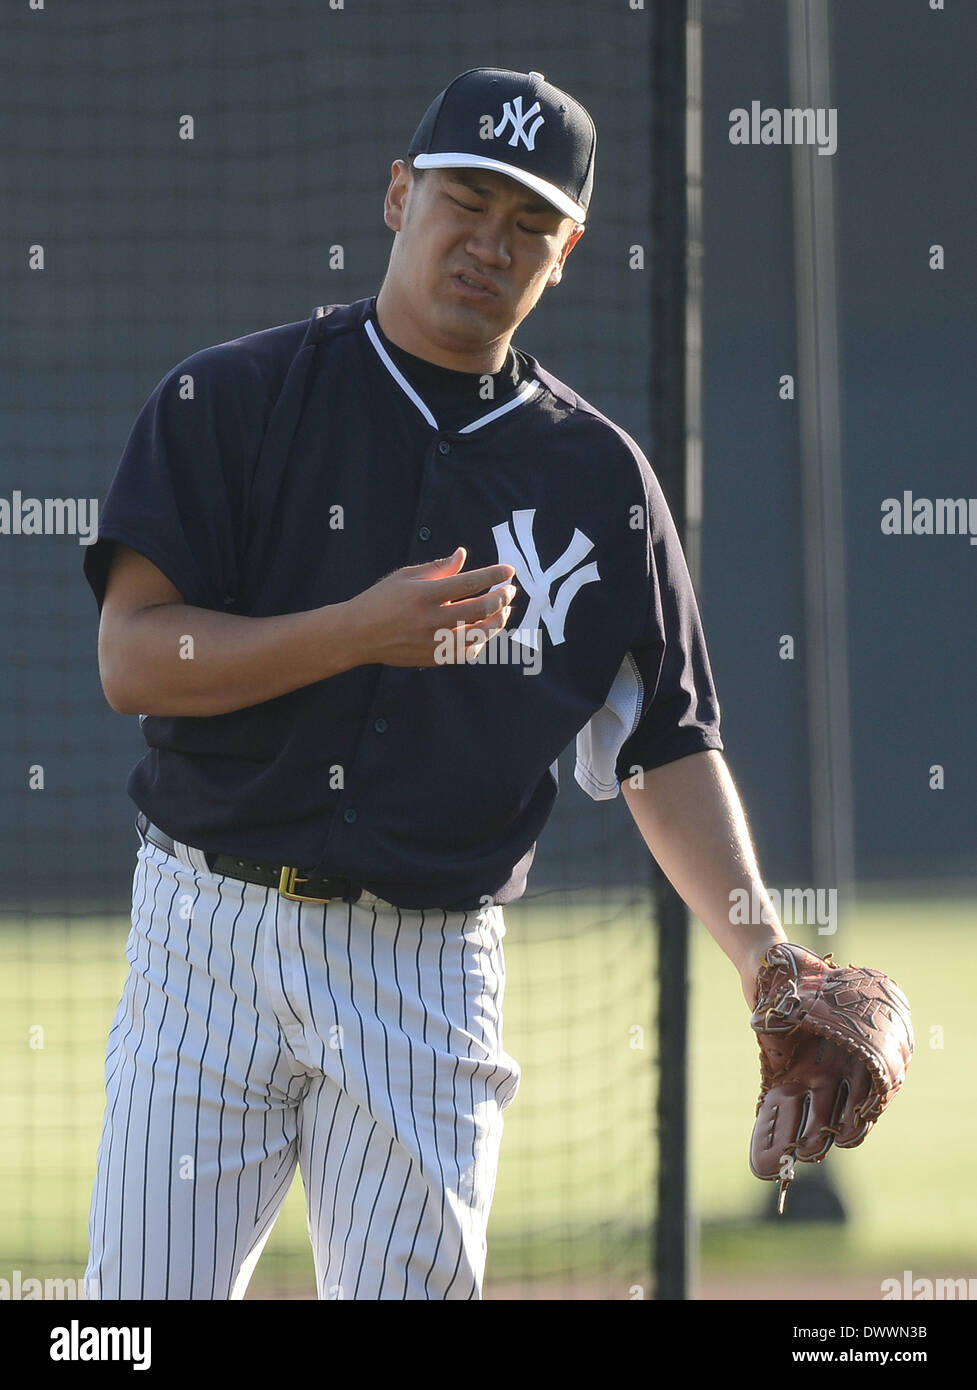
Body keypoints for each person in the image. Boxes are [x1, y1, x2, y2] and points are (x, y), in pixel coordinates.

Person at [82, 67, 787, 1301]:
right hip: (208, 934)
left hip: (425, 963)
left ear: (565, 253)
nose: (489, 243)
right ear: (398, 195)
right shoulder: (234, 399)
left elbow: (664, 746)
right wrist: (354, 631)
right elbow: (135, 657)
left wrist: (765, 957)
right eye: (465, 200)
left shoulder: (597, 481)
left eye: (528, 224)